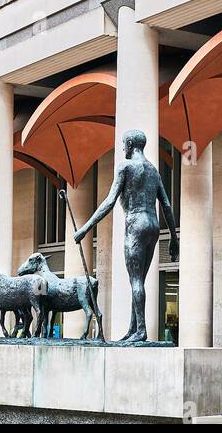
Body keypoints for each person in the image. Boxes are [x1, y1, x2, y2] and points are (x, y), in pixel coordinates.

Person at [73, 129, 179, 343]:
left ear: (130, 144)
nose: (122, 148)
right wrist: (174, 238)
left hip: (136, 224)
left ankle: (141, 330)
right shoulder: (153, 171)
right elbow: (166, 205)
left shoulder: (125, 167)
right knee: (138, 281)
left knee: (136, 281)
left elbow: (110, 201)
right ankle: (134, 329)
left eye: (123, 144)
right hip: (153, 225)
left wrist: (85, 229)